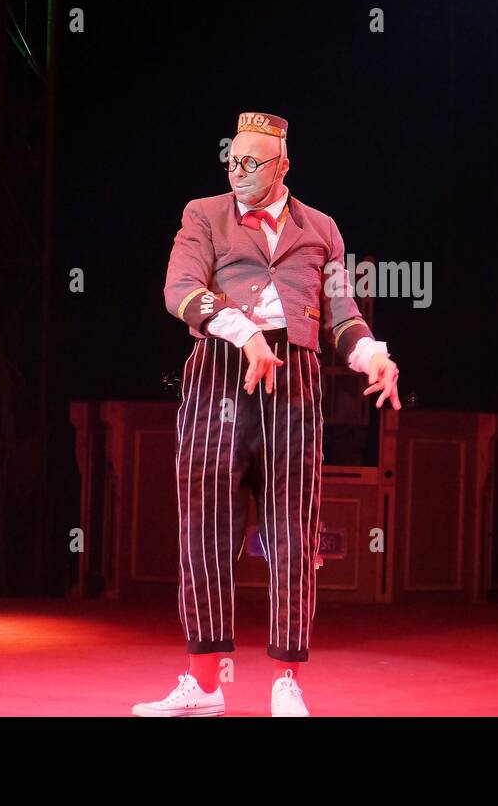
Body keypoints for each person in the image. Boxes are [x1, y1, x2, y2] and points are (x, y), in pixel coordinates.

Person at [133, 111, 400, 717]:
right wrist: (241, 330)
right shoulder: (204, 214)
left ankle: (286, 680)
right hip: (220, 378)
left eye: (253, 163)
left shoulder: (322, 228)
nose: (239, 171)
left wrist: (372, 356)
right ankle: (203, 684)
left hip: (294, 384)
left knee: (292, 535)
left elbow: (340, 312)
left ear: (283, 167)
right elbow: (179, 289)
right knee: (206, 533)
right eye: (232, 161)